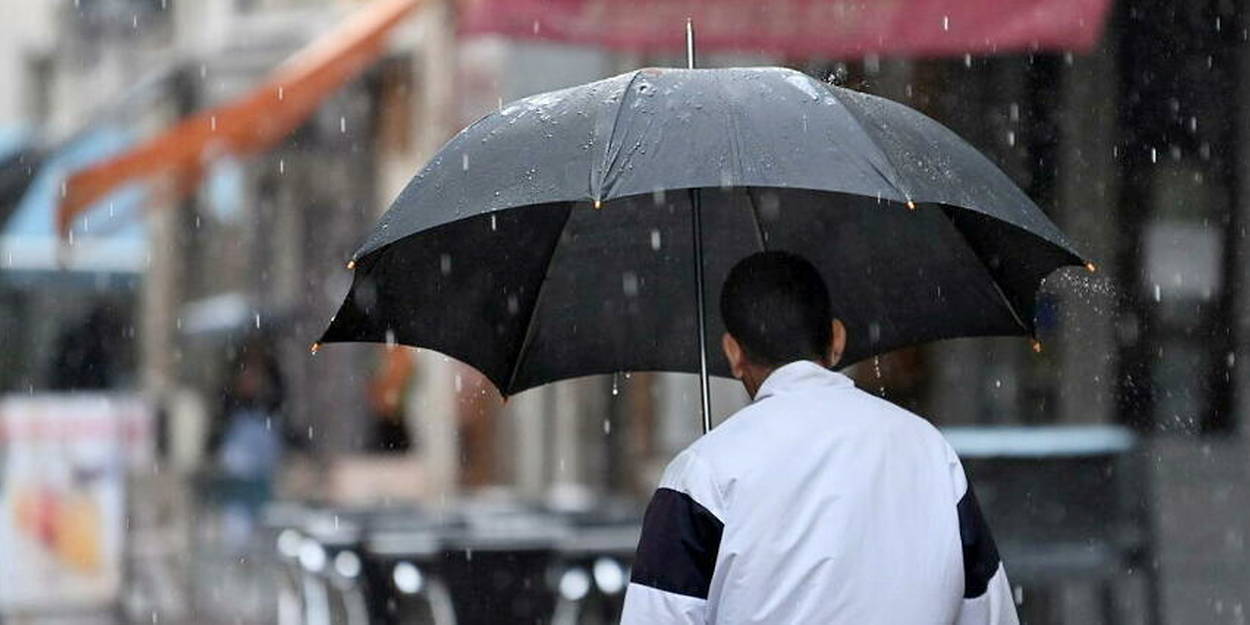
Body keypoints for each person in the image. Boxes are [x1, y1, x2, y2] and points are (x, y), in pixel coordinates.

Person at [620, 251, 1017, 625]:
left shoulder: (703, 473)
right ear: (837, 338)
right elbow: (991, 613)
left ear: (733, 352)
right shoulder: (930, 450)